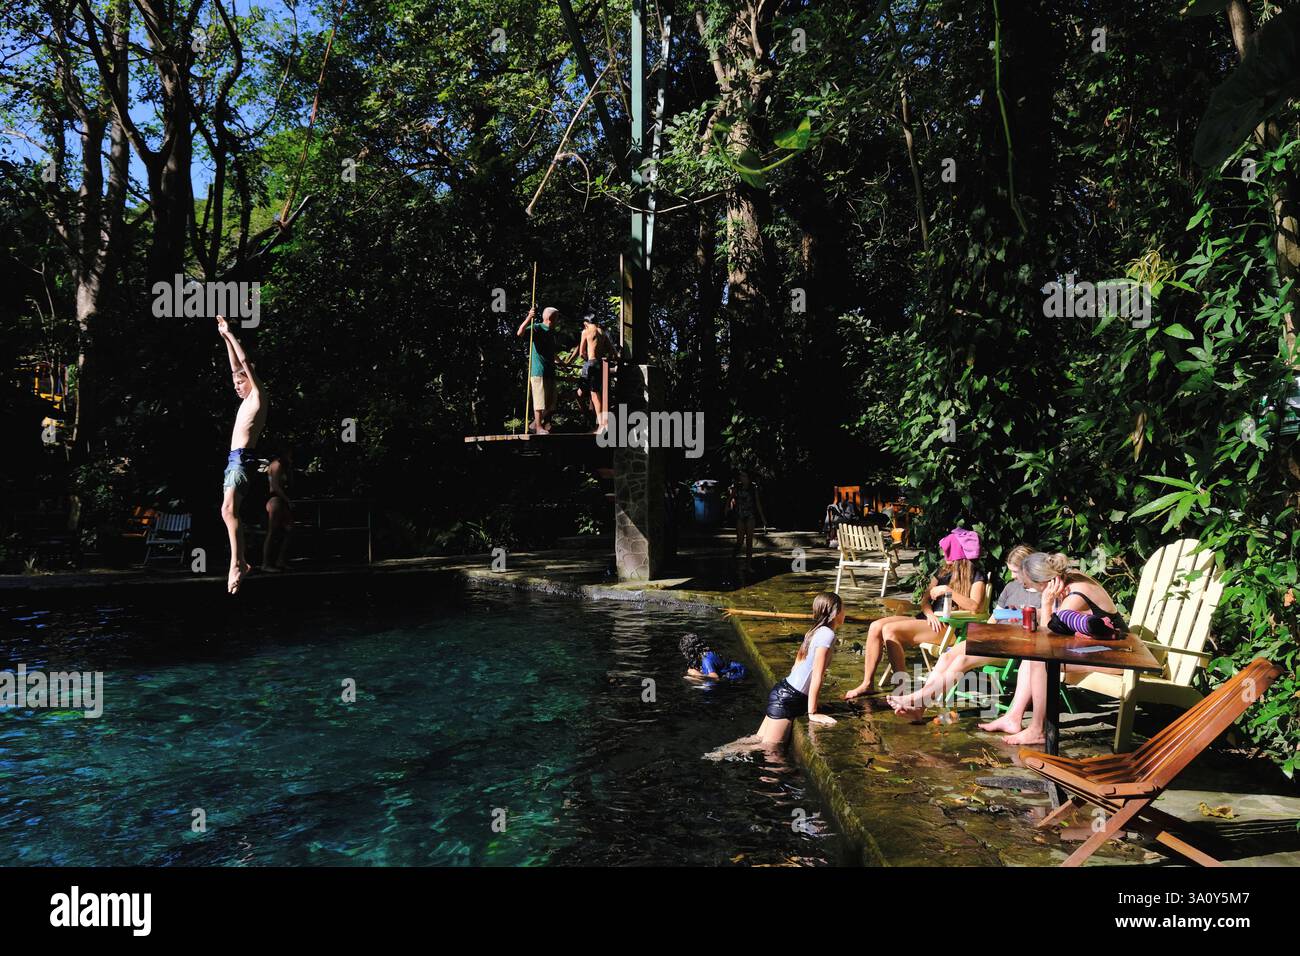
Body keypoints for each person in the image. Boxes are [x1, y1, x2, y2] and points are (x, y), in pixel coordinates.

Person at [979, 551, 1126, 746]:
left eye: (1029, 585)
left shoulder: (1076, 593)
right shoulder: (1070, 580)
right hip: (1096, 649)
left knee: (1041, 661)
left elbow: (1049, 639)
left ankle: (1037, 729)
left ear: (1044, 583)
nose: (1028, 589)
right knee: (1030, 657)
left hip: (1116, 658)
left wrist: (1046, 602)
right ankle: (1013, 718)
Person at [884, 543, 1036, 718]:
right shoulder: (1011, 587)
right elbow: (994, 618)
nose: (1012, 575)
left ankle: (917, 698)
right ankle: (919, 708)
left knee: (962, 660)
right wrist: (981, 634)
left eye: (1016, 572)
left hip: (1015, 645)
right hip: (993, 638)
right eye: (1011, 571)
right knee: (947, 656)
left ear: (1029, 568)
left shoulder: (1041, 592)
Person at [844, 527, 987, 700]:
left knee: (890, 630)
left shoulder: (976, 576)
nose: (943, 554)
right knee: (876, 626)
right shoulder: (942, 572)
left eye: (947, 551)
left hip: (950, 627)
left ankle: (901, 689)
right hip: (930, 620)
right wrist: (929, 614)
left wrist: (948, 591)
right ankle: (867, 684)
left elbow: (976, 606)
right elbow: (924, 600)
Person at [217, 316, 267, 594]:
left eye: (240, 382)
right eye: (234, 383)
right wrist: (224, 337)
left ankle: (238, 564)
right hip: (233, 459)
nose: (236, 385)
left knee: (227, 510)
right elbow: (236, 366)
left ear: (250, 381)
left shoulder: (259, 396)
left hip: (243, 459)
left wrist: (232, 335)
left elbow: (244, 364)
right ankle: (240, 562)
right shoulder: (247, 397)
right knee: (227, 511)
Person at [752, 592, 842, 745]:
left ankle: (718, 755)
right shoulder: (828, 635)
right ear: (836, 612)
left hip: (784, 691)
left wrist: (811, 702)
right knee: (771, 751)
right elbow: (816, 675)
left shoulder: (814, 631)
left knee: (756, 741)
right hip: (789, 699)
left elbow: (797, 666)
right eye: (843, 608)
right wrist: (813, 712)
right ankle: (718, 756)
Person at [516, 306, 559, 434]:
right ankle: (539, 427)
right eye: (557, 317)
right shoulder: (537, 327)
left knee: (552, 402)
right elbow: (520, 333)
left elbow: (551, 351)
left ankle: (535, 424)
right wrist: (529, 317)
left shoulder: (552, 332)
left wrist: (561, 362)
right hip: (538, 370)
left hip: (550, 370)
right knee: (539, 401)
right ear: (551, 318)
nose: (558, 320)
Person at [567, 312, 613, 431]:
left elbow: (581, 352)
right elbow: (611, 351)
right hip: (600, 365)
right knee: (582, 393)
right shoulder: (602, 332)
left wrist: (586, 359)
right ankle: (596, 423)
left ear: (585, 323)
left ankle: (602, 424)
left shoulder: (586, 332)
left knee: (594, 394)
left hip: (590, 364)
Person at [728, 469, 767, 574]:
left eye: (744, 476)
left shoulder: (753, 488)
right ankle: (733, 556)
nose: (742, 478)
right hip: (740, 516)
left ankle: (748, 566)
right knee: (740, 541)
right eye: (741, 476)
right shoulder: (737, 487)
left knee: (749, 542)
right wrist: (726, 508)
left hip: (750, 516)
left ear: (749, 478)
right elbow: (730, 498)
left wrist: (763, 519)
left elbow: (758, 504)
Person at [262, 448, 294, 571]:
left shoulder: (285, 466)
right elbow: (275, 486)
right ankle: (265, 564)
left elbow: (291, 484)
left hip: (282, 501)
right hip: (275, 500)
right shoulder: (276, 465)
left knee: (290, 529)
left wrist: (290, 469)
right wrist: (287, 500)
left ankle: (281, 560)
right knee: (272, 532)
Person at [679, 633, 747, 681]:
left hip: (737, 674)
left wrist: (697, 675)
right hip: (735, 670)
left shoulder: (706, 660)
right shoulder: (705, 654)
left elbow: (715, 678)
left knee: (690, 675)